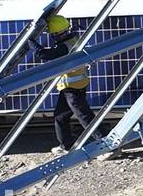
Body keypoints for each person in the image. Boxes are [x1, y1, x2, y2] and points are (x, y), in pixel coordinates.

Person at [29, 14, 97, 154]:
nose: (53, 36)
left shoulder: (66, 46)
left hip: (73, 88)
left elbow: (45, 55)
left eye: (53, 33)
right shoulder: (72, 39)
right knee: (60, 116)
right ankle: (66, 145)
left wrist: (30, 41)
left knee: (84, 116)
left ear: (58, 33)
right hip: (72, 86)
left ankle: (105, 142)